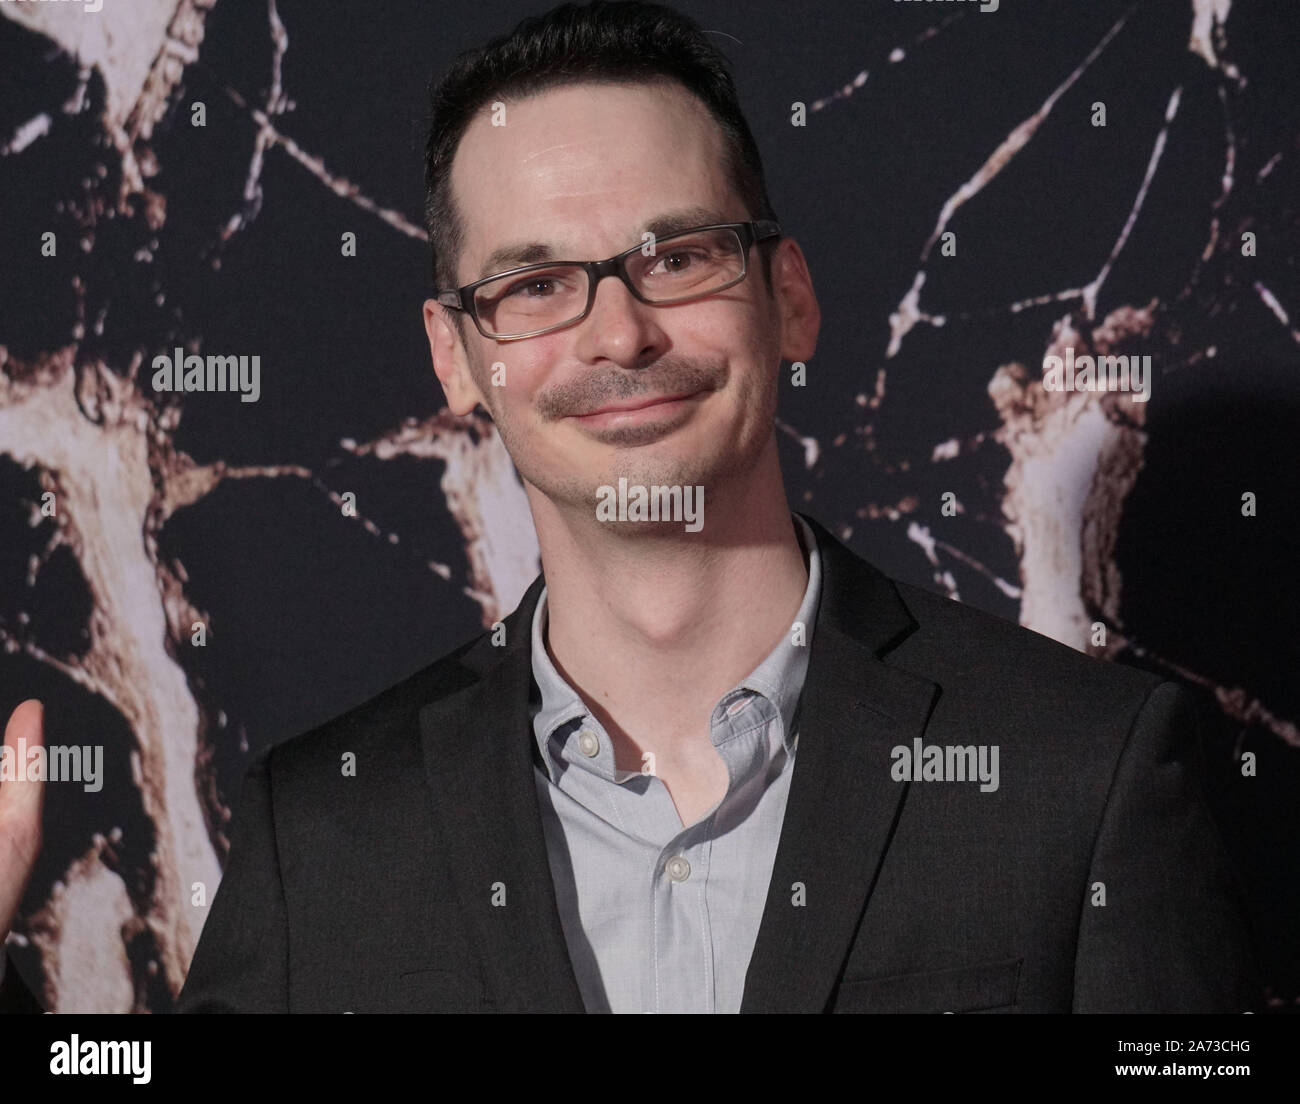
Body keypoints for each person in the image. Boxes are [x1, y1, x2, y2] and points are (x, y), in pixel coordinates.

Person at [1, 0, 1257, 1014]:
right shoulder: (322, 826)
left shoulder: (1083, 772)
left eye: (677, 257)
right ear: (457, 358)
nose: (618, 330)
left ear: (791, 299)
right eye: (536, 282)